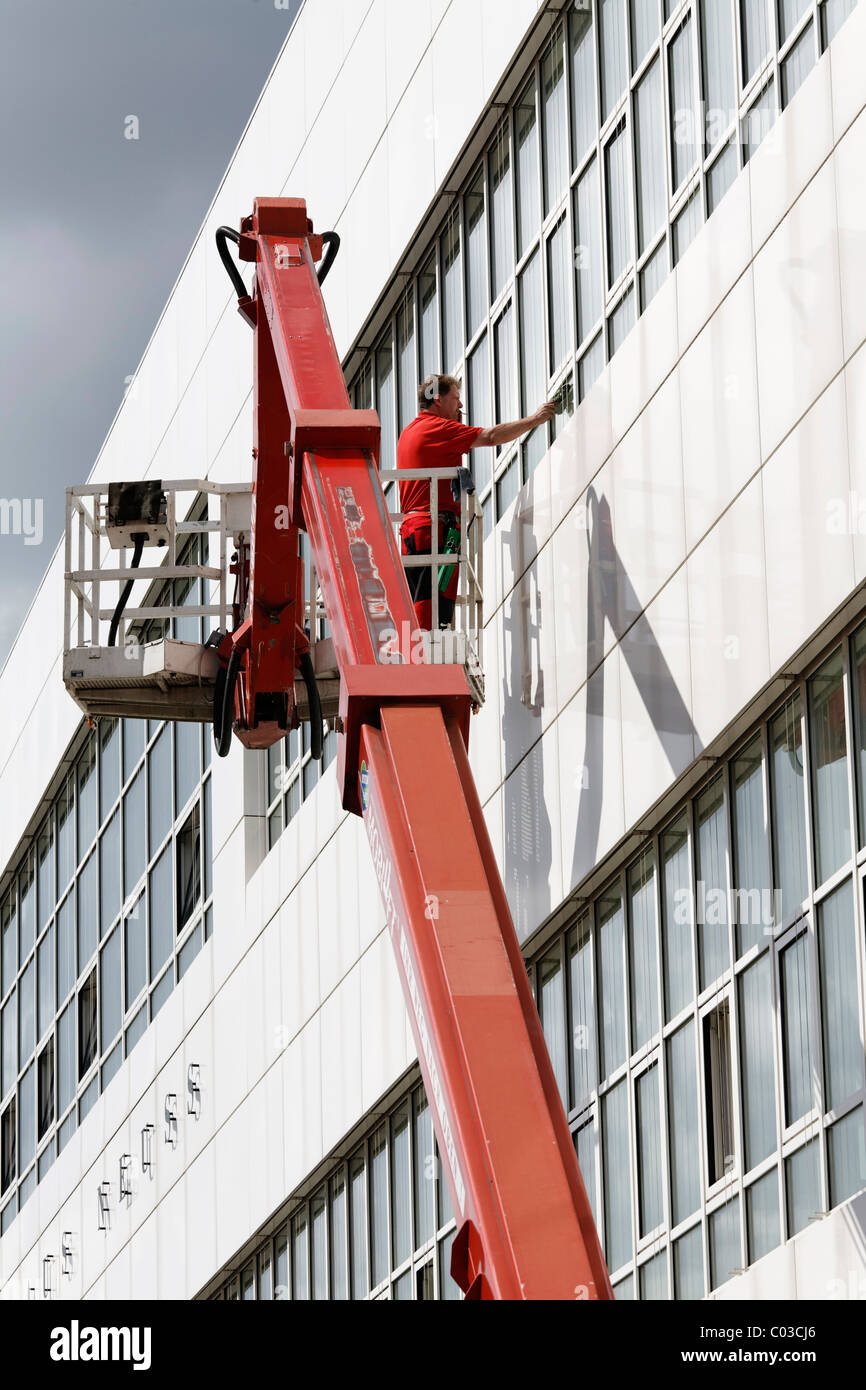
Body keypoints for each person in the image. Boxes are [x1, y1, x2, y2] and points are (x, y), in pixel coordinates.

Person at [397, 374, 556, 630]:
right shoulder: (437, 428)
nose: (460, 406)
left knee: (421, 602)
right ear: (437, 399)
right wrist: (536, 419)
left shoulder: (411, 431)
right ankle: (430, 658)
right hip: (434, 529)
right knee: (436, 606)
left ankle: (423, 653)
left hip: (413, 530)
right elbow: (492, 437)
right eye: (455, 399)